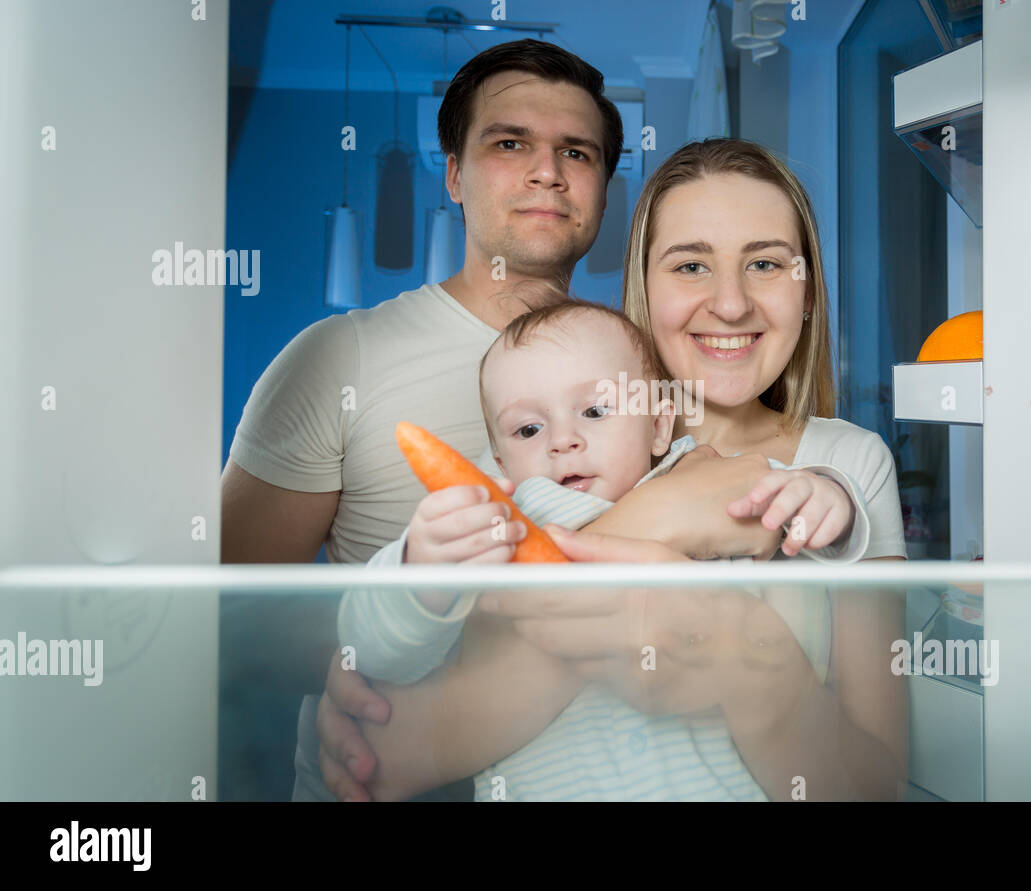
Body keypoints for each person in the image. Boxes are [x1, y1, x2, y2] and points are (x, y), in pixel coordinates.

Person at [221, 38, 810, 802]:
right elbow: (227, 619)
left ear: (603, 186)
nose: (547, 171)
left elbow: (724, 518)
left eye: (578, 151)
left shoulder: (646, 359)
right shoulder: (339, 358)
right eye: (509, 144)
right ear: (455, 174)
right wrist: (358, 673)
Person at [338, 138, 910, 801]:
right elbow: (386, 717)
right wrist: (414, 576)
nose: (730, 303)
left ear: (808, 291)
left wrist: (752, 637)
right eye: (691, 265)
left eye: (765, 263)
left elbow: (877, 785)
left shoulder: (851, 461)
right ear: (643, 284)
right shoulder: (536, 475)